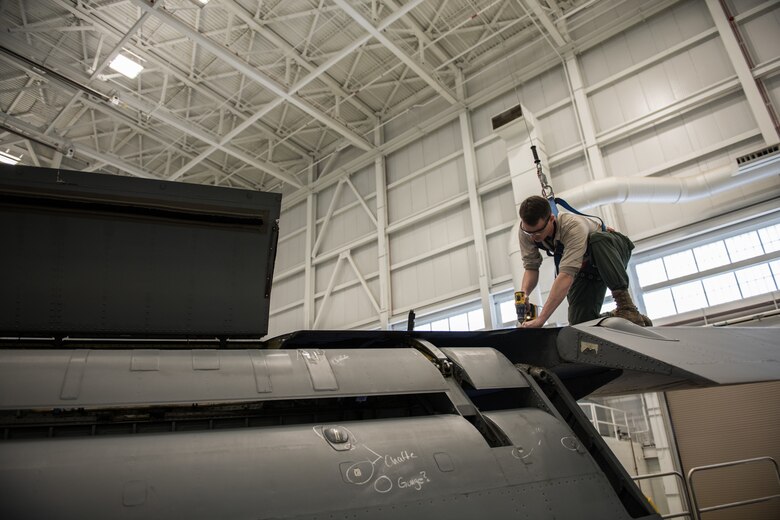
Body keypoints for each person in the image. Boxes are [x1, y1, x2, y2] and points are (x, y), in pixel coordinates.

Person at [516, 195, 651, 328]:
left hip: (610, 253)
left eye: (538, 232)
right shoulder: (525, 231)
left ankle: (626, 307)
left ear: (551, 219)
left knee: (598, 239)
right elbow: (531, 267)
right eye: (529, 233)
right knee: (579, 324)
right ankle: (616, 316)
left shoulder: (573, 226)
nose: (533, 237)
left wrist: (541, 320)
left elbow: (566, 275)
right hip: (584, 268)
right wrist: (525, 293)